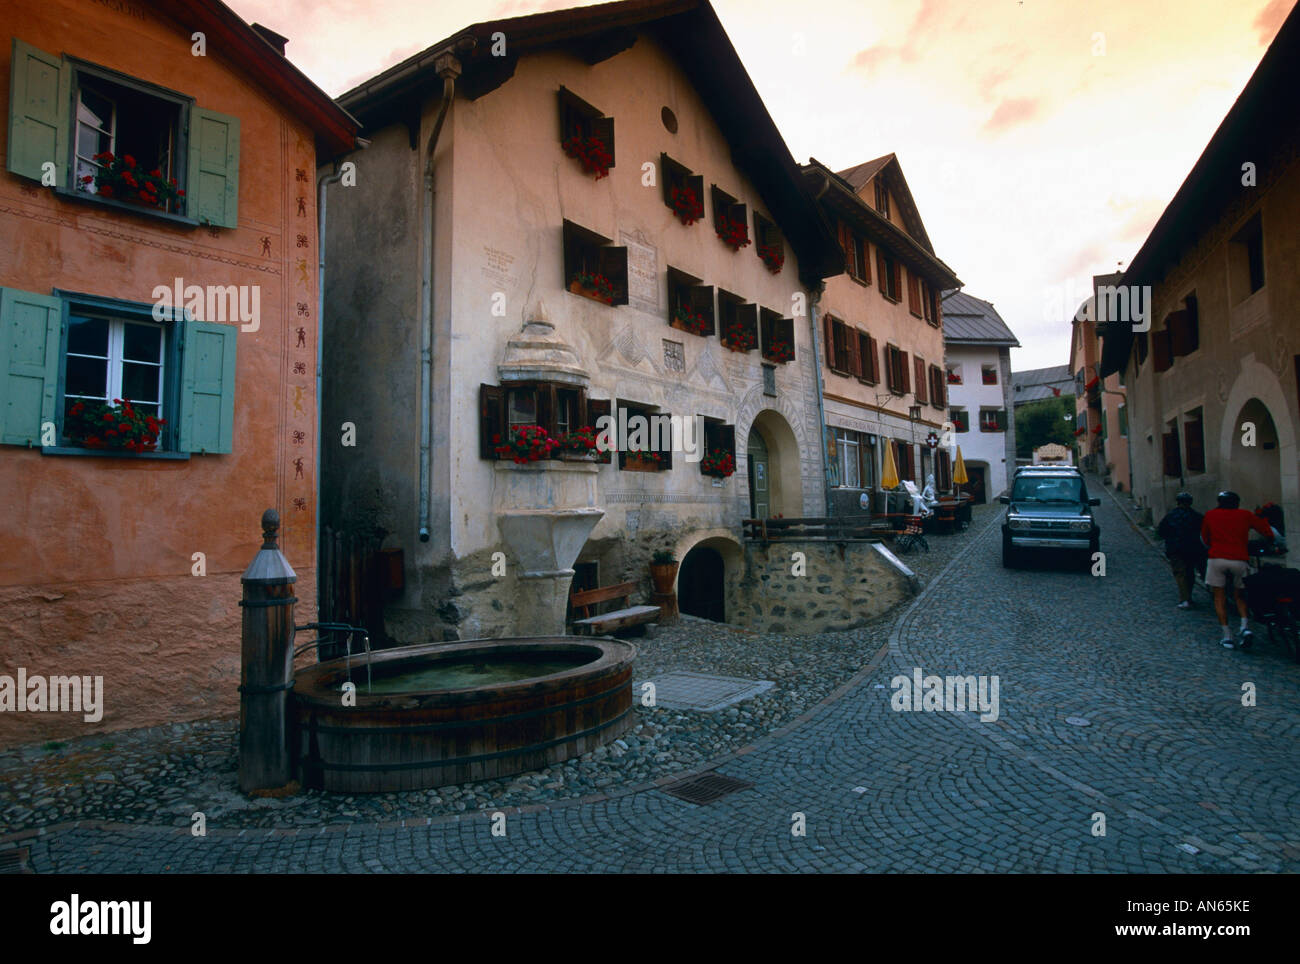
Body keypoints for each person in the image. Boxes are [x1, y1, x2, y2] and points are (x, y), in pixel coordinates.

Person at [1200, 490, 1273, 648]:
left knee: (1218, 597)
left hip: (1217, 558)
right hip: (1239, 558)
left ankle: (1227, 636)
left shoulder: (1211, 515)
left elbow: (1205, 538)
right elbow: (1265, 530)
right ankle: (1244, 627)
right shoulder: (1245, 515)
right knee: (1240, 595)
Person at [1156, 492, 1204, 608]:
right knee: (1189, 572)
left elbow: (1161, 531)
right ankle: (1189, 596)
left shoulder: (1171, 515)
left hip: (1175, 549)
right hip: (1192, 549)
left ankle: (1185, 599)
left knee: (1180, 573)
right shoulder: (1196, 516)